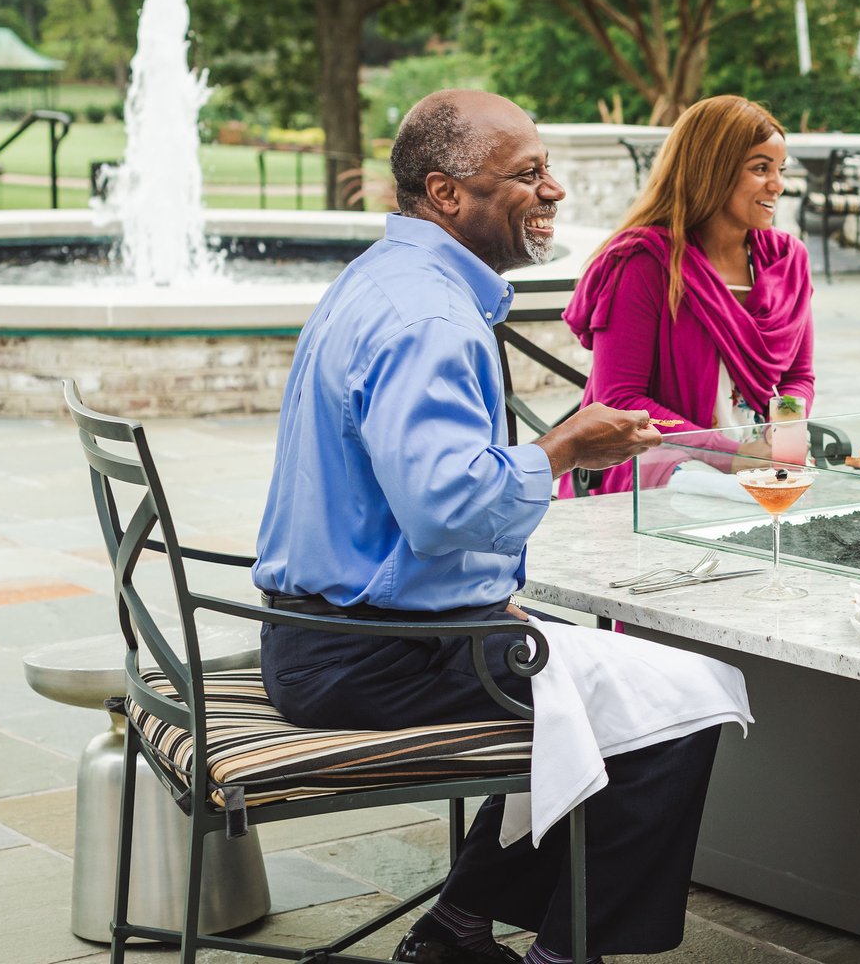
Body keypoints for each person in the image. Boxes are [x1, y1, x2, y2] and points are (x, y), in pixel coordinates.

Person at [254, 89, 721, 964]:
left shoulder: (383, 279)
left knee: (586, 676)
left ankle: (458, 928)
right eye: (528, 173)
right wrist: (564, 447)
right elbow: (444, 508)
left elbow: (406, 508)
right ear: (445, 193)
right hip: (370, 658)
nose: (553, 191)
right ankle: (559, 954)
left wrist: (478, 598)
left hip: (332, 634)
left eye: (547, 169)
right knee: (681, 699)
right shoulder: (429, 318)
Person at [562, 94, 815, 493]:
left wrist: (783, 432)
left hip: (757, 460)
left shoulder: (786, 260)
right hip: (659, 459)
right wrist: (729, 454)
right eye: (760, 168)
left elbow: (797, 377)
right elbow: (621, 401)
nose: (778, 185)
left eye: (780, 169)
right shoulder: (643, 263)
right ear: (711, 170)